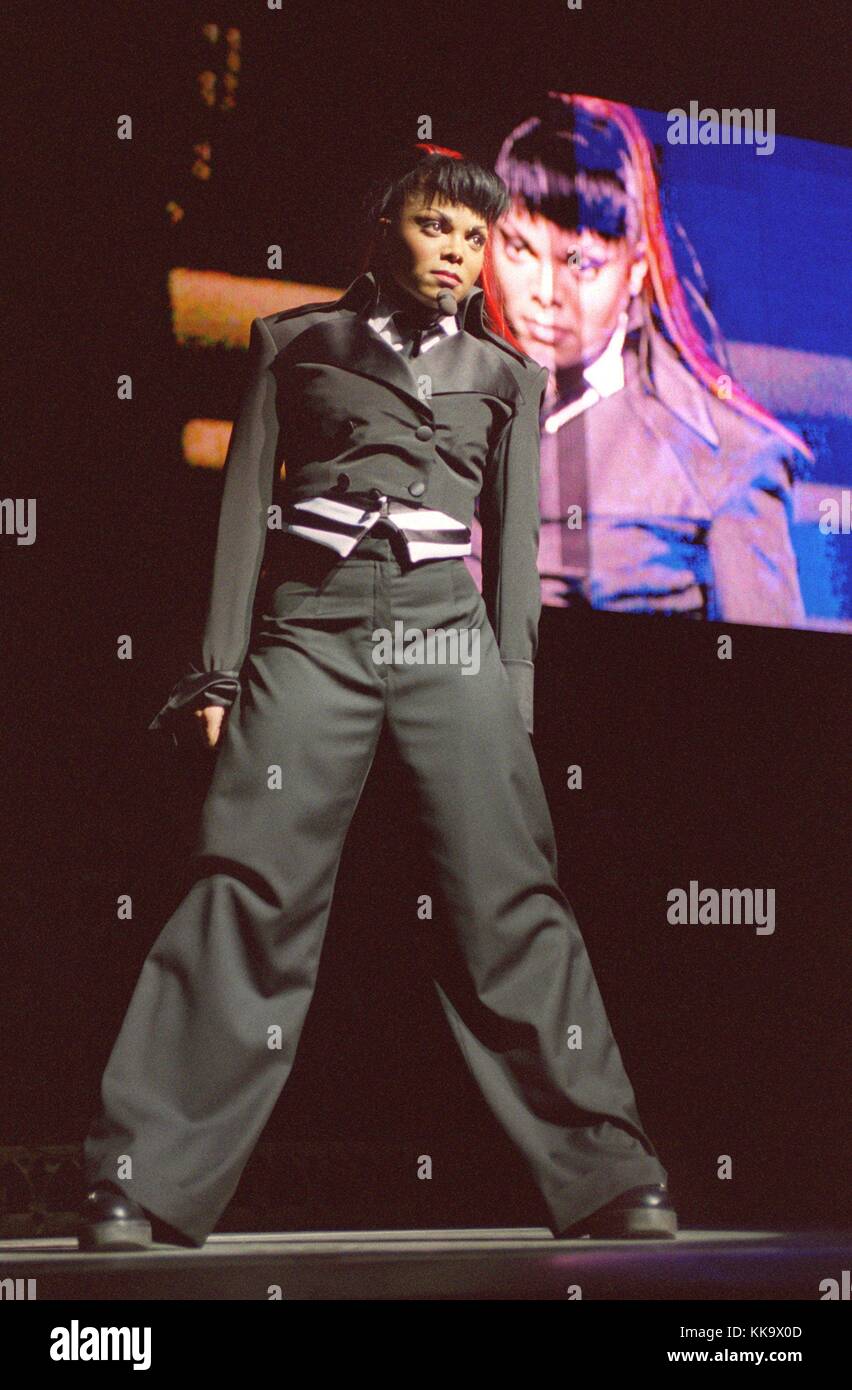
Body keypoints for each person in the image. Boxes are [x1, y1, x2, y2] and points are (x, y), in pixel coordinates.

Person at [78, 144, 676, 1252]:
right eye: (434, 228)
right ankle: (138, 1173)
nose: (455, 254)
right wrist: (217, 670)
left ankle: (606, 1166)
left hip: (454, 646)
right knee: (248, 884)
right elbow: (244, 513)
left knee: (511, 897)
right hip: (311, 634)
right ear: (387, 226)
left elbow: (507, 556)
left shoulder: (508, 374)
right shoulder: (296, 342)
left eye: (471, 237)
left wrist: (518, 701)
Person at [465, 92, 809, 626]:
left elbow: (768, 685)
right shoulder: (447, 405)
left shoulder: (728, 460)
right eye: (519, 249)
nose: (545, 292)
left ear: (637, 269)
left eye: (580, 263)